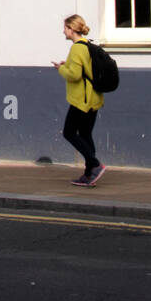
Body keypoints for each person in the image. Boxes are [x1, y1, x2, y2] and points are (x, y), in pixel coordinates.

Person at [52, 14, 105, 186]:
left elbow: (74, 76)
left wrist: (61, 69)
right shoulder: (87, 45)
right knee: (85, 134)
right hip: (93, 97)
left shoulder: (76, 48)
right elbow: (82, 70)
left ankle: (95, 164)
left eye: (65, 28)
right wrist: (66, 66)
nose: (63, 31)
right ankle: (89, 174)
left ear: (72, 29)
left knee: (69, 132)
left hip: (81, 100)